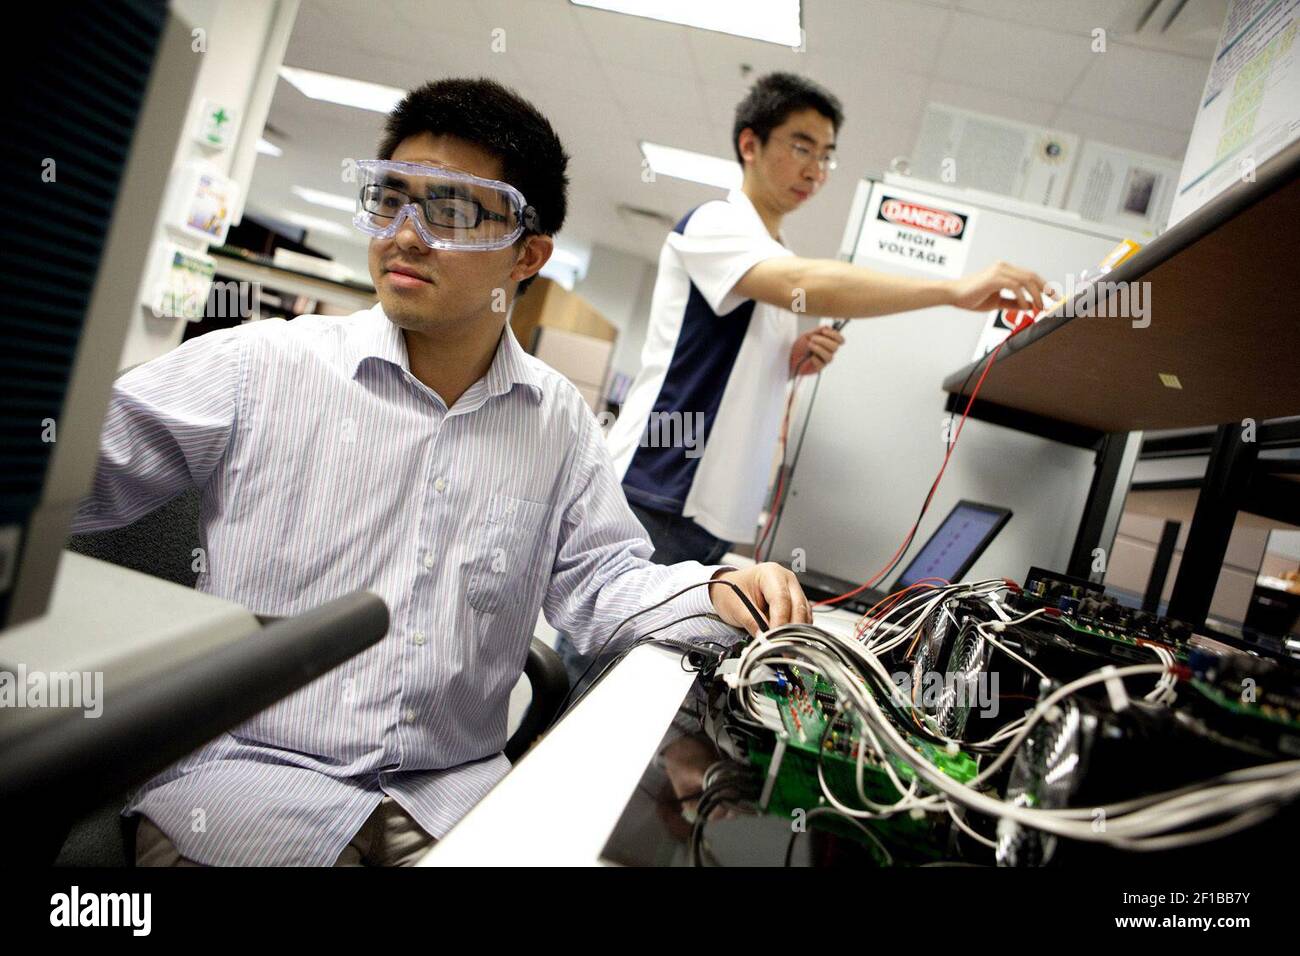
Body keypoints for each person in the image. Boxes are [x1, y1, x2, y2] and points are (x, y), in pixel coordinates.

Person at [73, 77, 812, 866]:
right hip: (251, 790)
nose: (406, 234)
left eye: (452, 210)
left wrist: (716, 592)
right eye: (390, 199)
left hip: (450, 802)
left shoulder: (553, 419)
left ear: (527, 254)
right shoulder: (260, 366)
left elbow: (601, 587)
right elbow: (59, 477)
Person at [556, 73, 1048, 683]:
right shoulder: (715, 224)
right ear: (750, 145)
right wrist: (951, 289)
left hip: (717, 510)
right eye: (800, 145)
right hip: (664, 486)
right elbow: (801, 283)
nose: (815, 167)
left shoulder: (771, 248)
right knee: (596, 678)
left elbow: (743, 358)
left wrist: (789, 362)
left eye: (826, 155)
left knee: (646, 683)